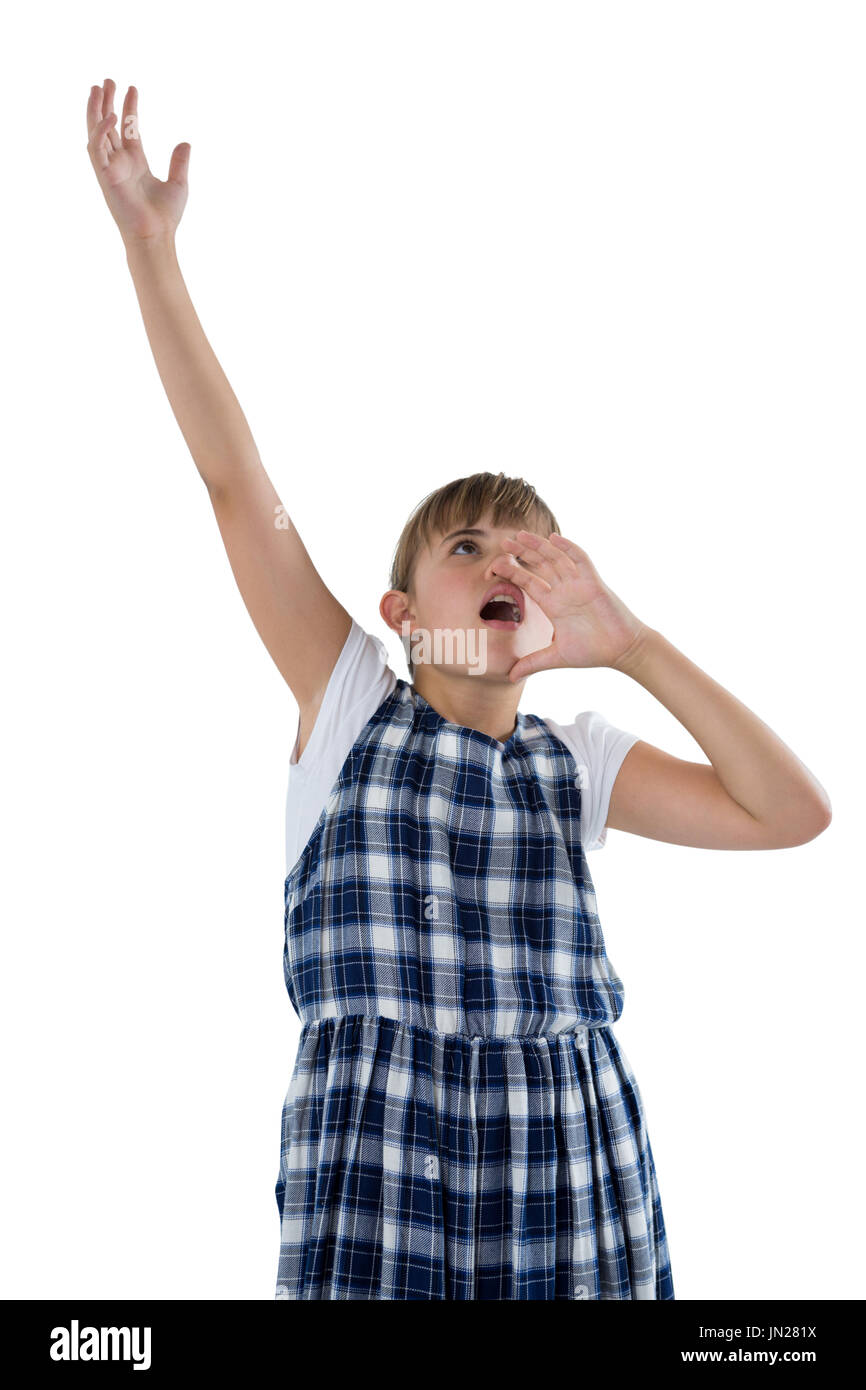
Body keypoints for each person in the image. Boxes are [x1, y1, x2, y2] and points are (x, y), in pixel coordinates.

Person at [86, 79, 833, 1301]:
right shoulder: (348, 707)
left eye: (526, 552)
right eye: (465, 548)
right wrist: (151, 251)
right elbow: (236, 481)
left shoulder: (576, 759)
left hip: (570, 1165)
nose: (499, 564)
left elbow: (787, 812)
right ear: (402, 618)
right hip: (377, 1160)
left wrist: (633, 643)